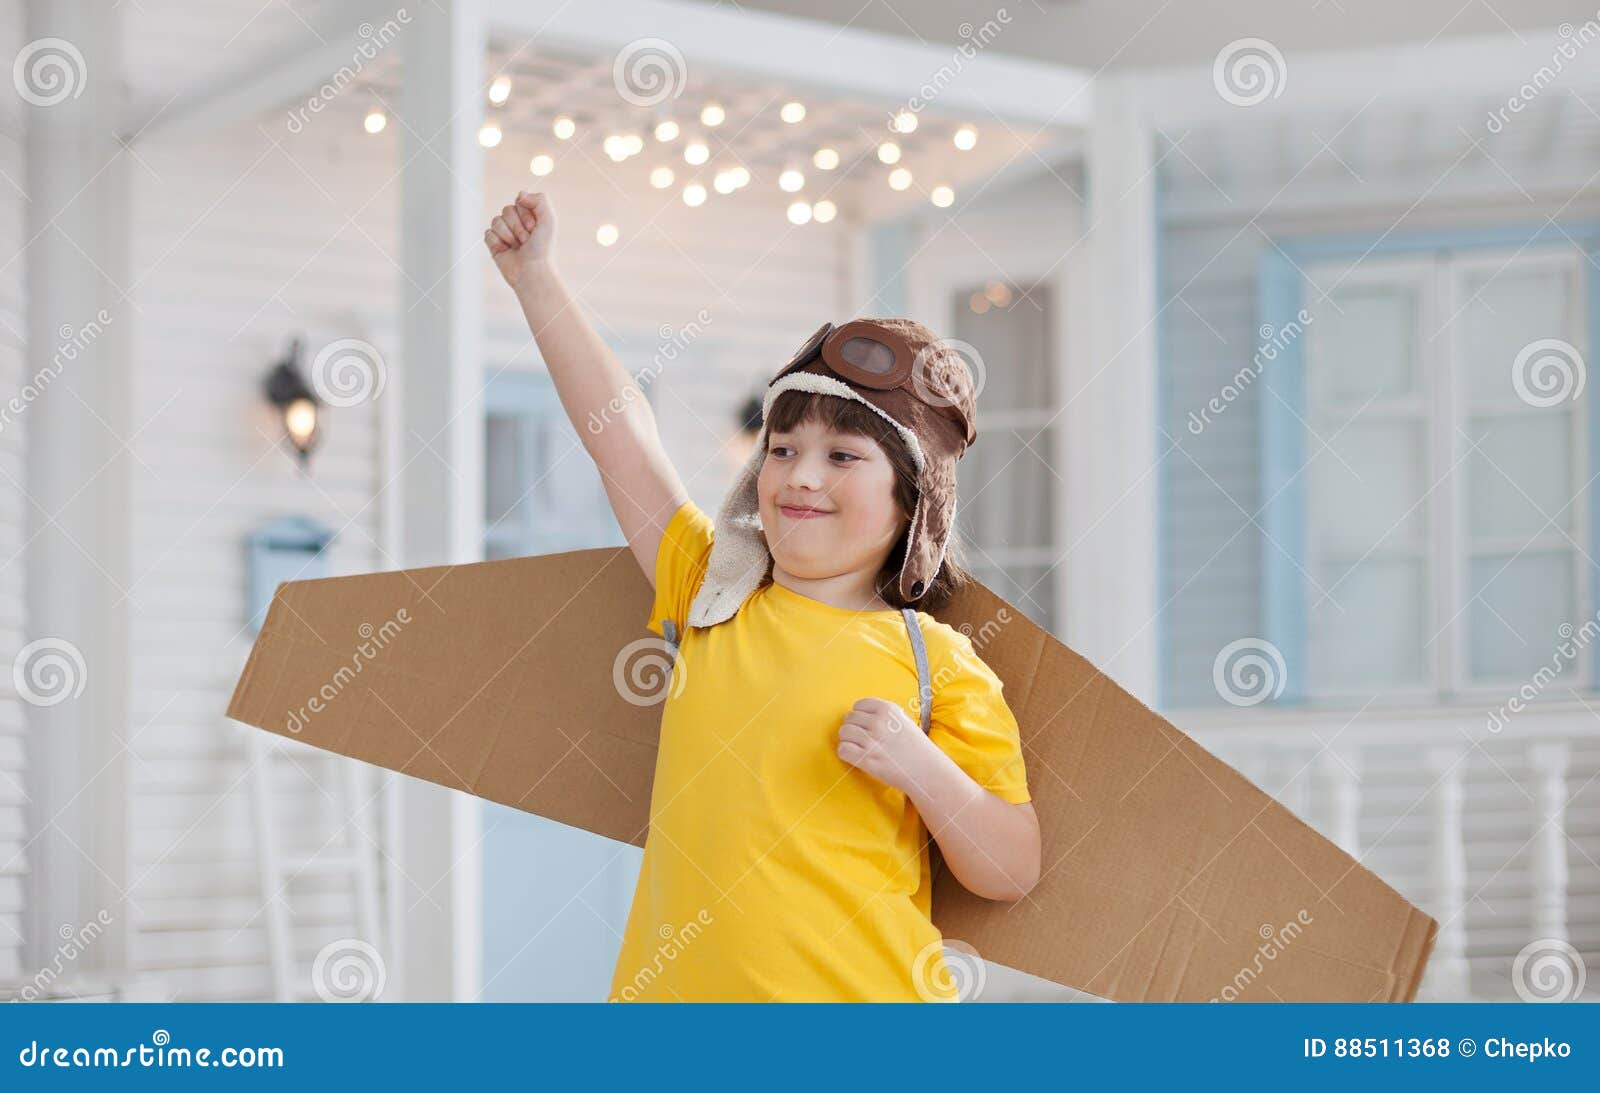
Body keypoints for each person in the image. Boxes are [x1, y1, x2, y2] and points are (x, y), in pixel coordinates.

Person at [485, 191, 1040, 1002]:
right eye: (783, 448)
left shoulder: (936, 664)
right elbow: (620, 435)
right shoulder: (714, 593)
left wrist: (923, 769)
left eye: (844, 456)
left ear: (913, 501)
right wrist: (535, 280)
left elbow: (1011, 868)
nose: (801, 475)